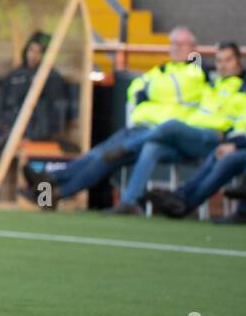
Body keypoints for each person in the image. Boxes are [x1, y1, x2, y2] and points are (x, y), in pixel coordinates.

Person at [28, 27, 206, 208]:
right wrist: (150, 88)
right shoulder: (164, 69)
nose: (175, 48)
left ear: (193, 47)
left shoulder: (196, 71)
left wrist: (149, 89)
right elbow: (136, 87)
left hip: (160, 135)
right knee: (96, 155)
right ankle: (53, 188)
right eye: (172, 44)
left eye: (180, 44)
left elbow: (167, 88)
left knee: (104, 158)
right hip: (138, 129)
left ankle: (51, 183)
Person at [105, 43, 245, 214]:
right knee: (152, 147)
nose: (223, 65)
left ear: (239, 61)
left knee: (172, 126)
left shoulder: (241, 88)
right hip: (193, 137)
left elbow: (240, 124)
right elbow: (192, 71)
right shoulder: (211, 84)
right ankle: (129, 202)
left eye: (228, 60)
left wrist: (235, 143)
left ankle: (128, 147)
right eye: (219, 60)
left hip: (215, 137)